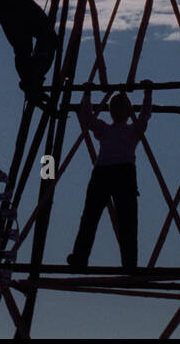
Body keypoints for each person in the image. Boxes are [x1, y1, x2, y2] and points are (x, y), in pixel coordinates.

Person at [66, 81, 154, 271]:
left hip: (114, 173)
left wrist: (148, 93)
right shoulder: (111, 129)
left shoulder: (123, 130)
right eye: (116, 109)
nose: (118, 112)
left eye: (120, 109)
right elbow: (87, 117)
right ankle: (82, 258)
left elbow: (145, 115)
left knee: (121, 220)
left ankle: (128, 263)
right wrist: (87, 94)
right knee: (95, 217)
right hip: (111, 173)